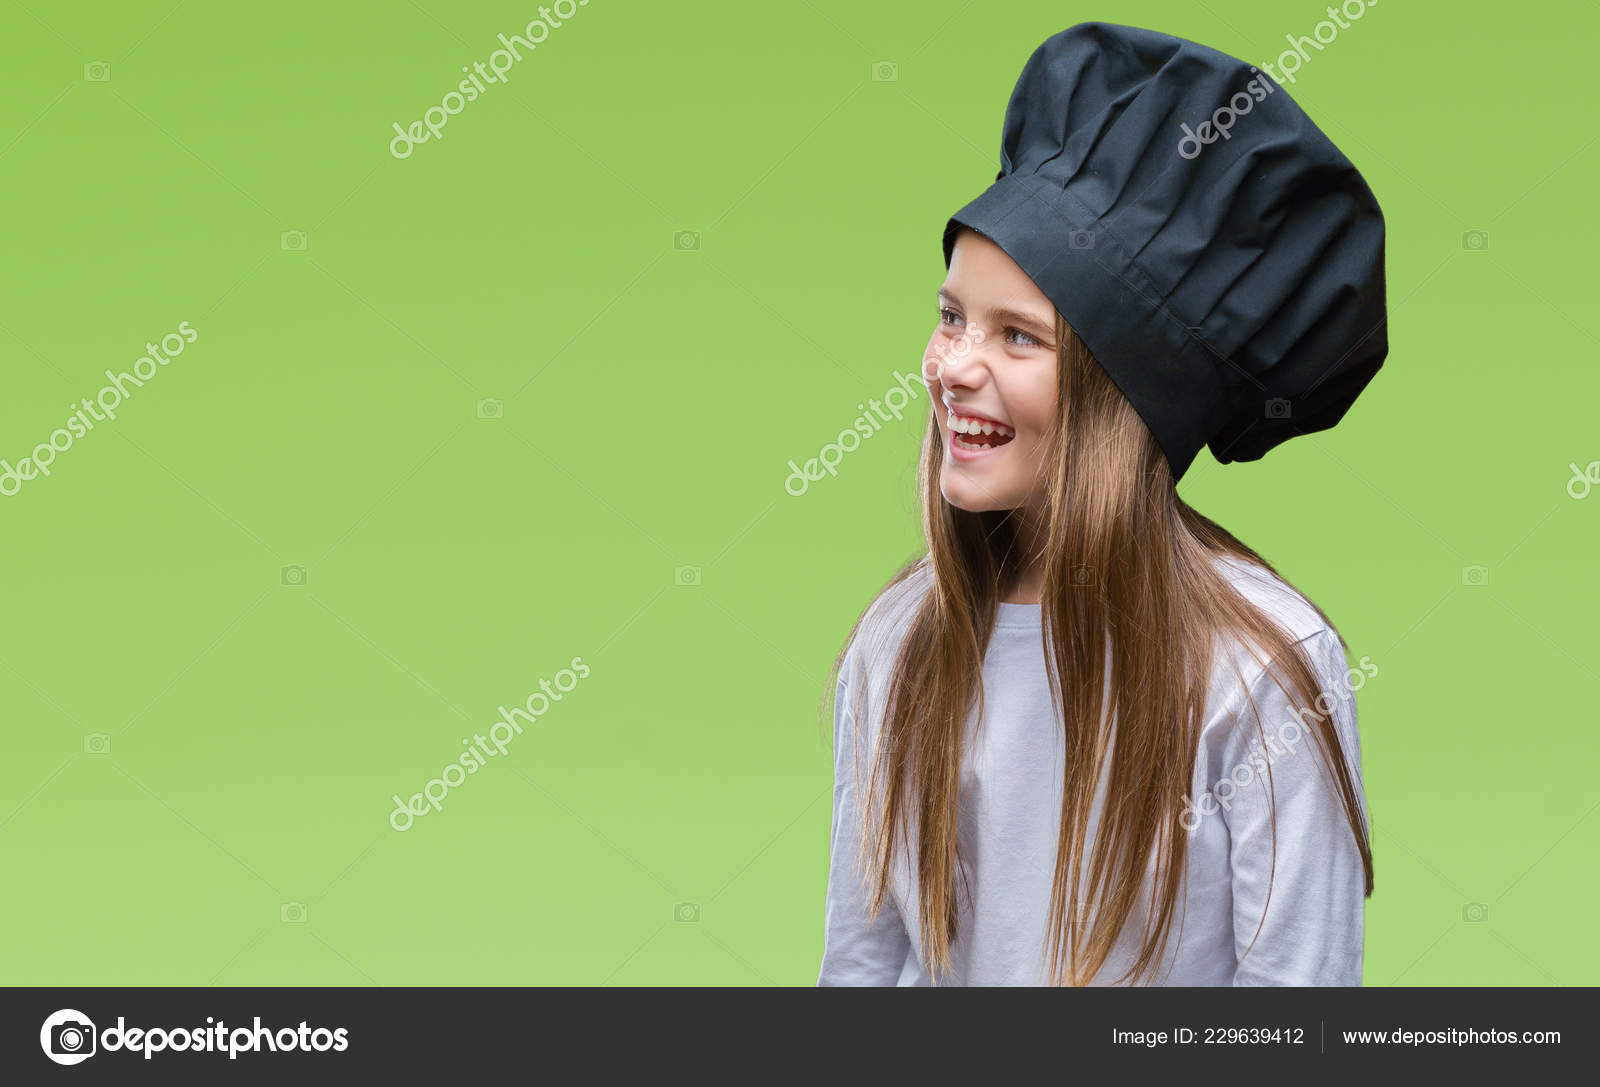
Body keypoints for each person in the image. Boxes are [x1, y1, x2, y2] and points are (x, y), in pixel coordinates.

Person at [817, 22, 1386, 986]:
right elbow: (860, 971)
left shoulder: (1257, 669)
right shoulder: (902, 638)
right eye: (952, 316)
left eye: (1018, 336)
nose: (953, 367)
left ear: (1125, 400)